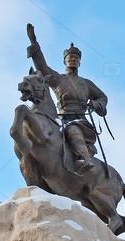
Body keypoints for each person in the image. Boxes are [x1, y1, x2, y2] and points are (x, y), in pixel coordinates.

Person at [26, 24, 108, 170]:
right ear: (65, 60)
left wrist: (97, 104)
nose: (73, 60)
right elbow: (42, 67)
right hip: (60, 119)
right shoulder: (58, 79)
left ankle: (85, 159)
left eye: (76, 58)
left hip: (80, 121)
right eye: (70, 57)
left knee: (73, 130)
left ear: (80, 62)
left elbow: (102, 96)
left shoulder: (87, 84)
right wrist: (34, 43)